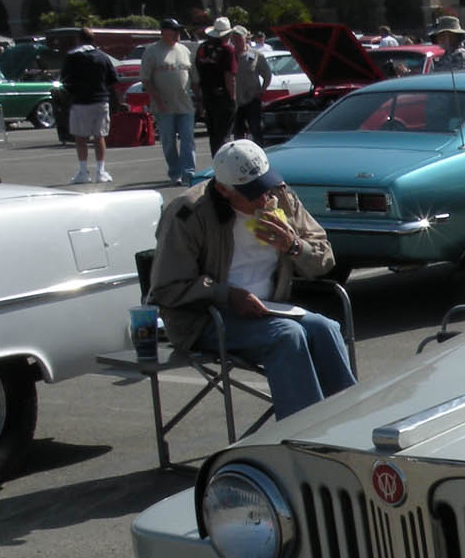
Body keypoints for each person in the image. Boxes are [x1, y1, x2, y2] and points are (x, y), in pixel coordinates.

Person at [147, 140, 356, 420]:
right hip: (206, 318)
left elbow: (324, 259)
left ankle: (347, 421)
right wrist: (227, 295)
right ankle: (302, 432)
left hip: (272, 308)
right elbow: (167, 288)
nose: (264, 197)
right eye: (253, 192)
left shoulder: (281, 196)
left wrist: (294, 246)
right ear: (224, 190)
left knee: (325, 328)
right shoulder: (189, 213)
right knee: (287, 336)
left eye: (266, 185)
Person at [139, 18, 197, 186]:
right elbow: (146, 79)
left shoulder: (184, 50)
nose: (177, 33)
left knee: (188, 139)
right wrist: (157, 100)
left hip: (185, 104)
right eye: (174, 30)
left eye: (179, 30)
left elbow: (193, 77)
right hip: (163, 105)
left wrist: (198, 99)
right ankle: (175, 172)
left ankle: (188, 173)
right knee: (168, 141)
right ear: (163, 32)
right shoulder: (152, 51)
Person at [58, 27, 119, 184]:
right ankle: (100, 171)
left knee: (80, 138)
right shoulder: (103, 56)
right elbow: (112, 79)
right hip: (100, 101)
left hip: (80, 102)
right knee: (99, 137)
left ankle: (83, 171)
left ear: (78, 39)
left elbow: (64, 81)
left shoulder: (72, 57)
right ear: (93, 40)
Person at [194, 15, 238, 157]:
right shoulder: (227, 49)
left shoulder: (202, 48)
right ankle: (224, 163)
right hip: (222, 95)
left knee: (213, 135)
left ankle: (216, 161)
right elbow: (229, 76)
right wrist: (232, 97)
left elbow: (197, 71)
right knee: (224, 134)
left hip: (207, 95)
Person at [229, 26, 272, 145]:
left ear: (246, 38)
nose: (236, 40)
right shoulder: (229, 55)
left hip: (252, 99)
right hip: (235, 101)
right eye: (234, 38)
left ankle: (260, 150)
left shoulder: (255, 55)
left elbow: (267, 74)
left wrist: (262, 90)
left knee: (256, 130)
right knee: (238, 133)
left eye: (239, 37)